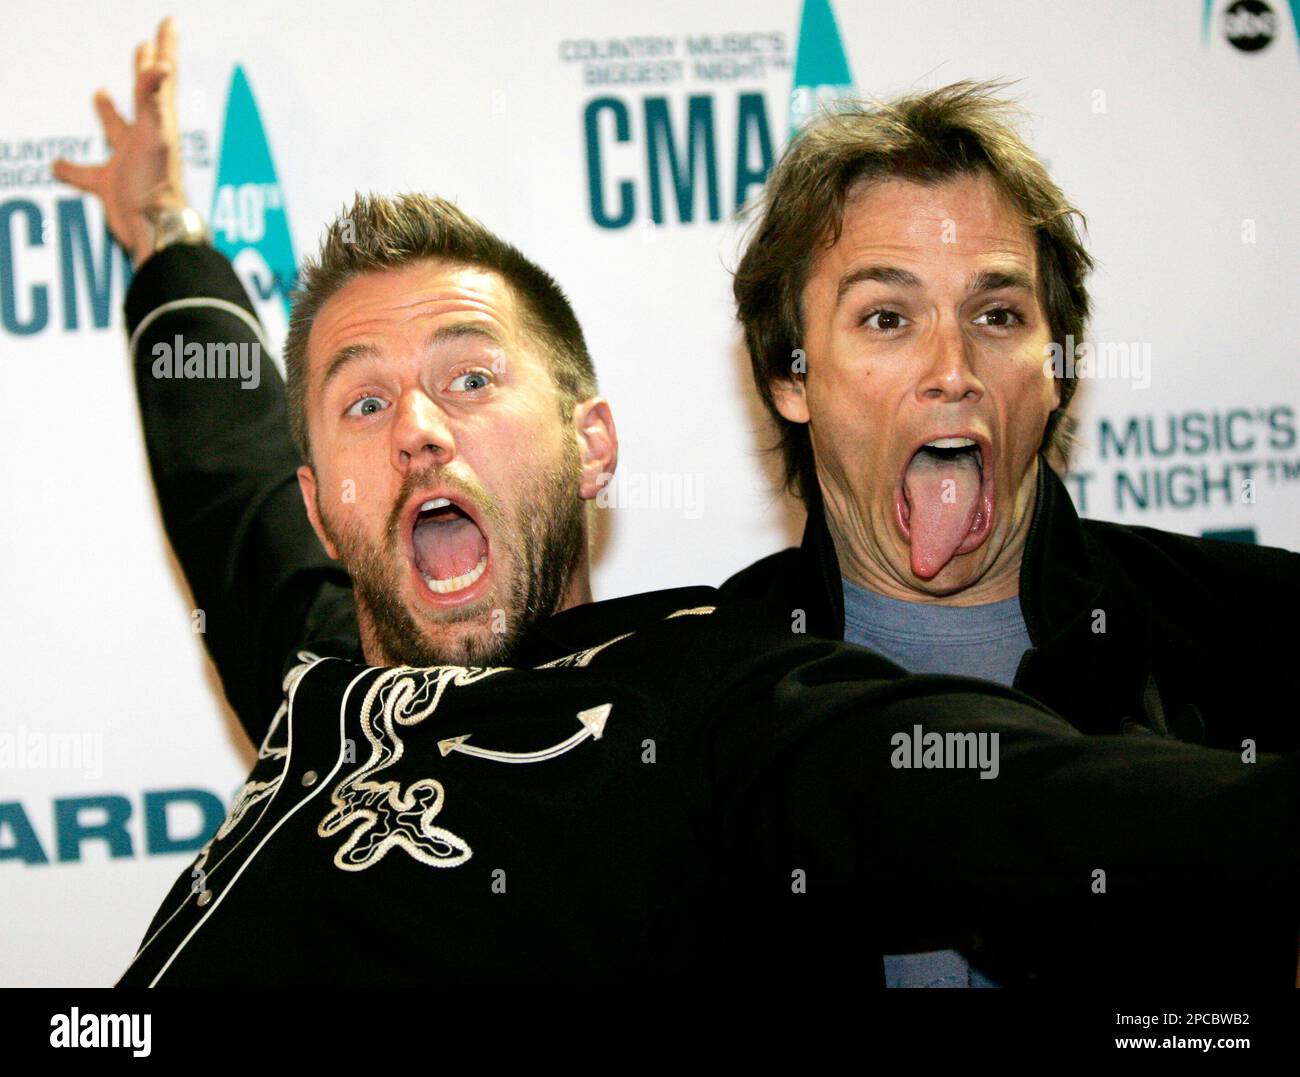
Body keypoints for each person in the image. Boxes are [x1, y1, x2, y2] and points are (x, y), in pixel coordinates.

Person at [56, 21, 1298, 987]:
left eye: (469, 377)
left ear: (593, 445)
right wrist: (163, 232)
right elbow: (221, 476)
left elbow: (1013, 804)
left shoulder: (695, 691)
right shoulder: (315, 680)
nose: (422, 428)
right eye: (366, 405)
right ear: (323, 511)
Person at [724, 81, 1300, 986]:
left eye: (998, 315)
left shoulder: (1265, 627)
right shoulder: (712, 683)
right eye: (887, 317)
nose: (952, 371)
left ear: (1059, 369)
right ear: (789, 377)